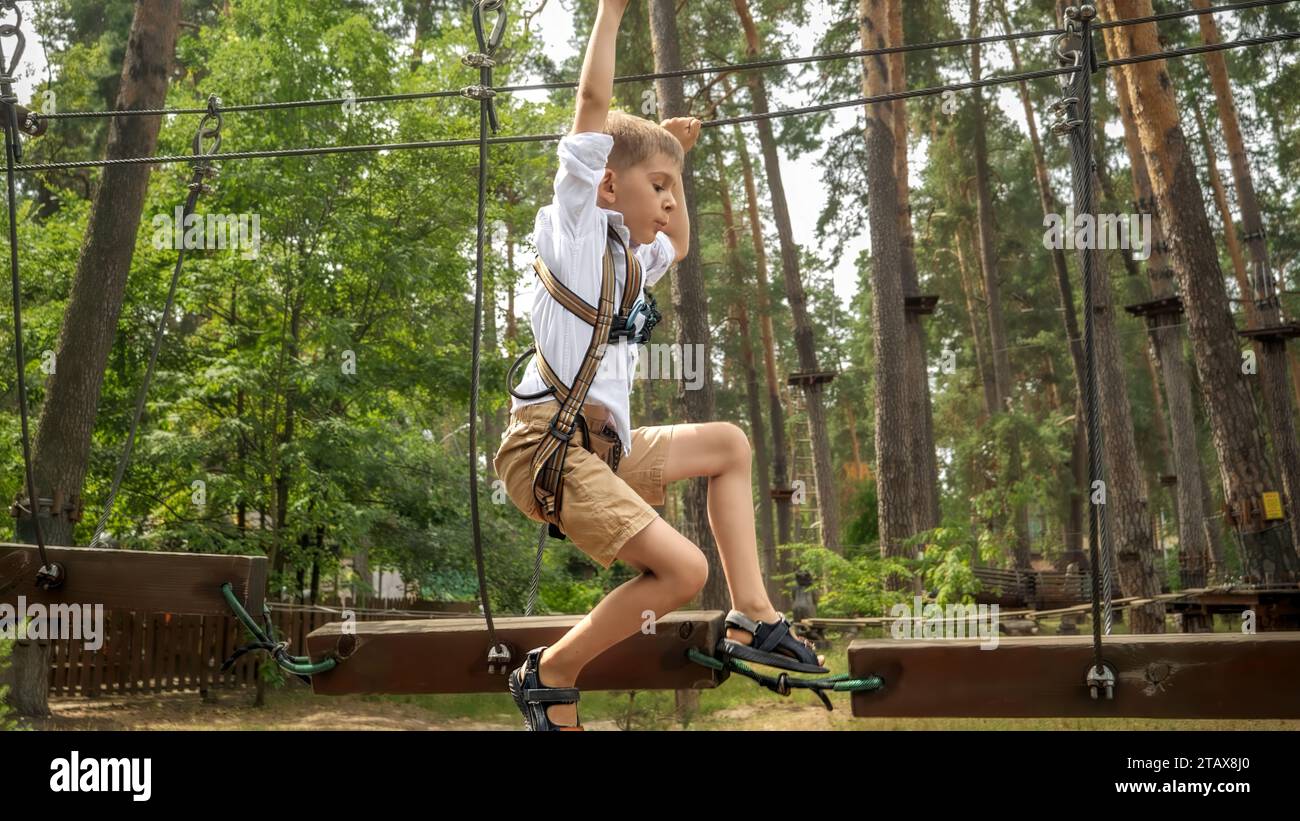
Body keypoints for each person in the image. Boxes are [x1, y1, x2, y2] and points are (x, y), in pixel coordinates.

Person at [494, 0, 826, 732]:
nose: (672, 206)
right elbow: (591, 106)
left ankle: (754, 614)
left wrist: (672, 163)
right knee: (682, 570)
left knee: (730, 444)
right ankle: (552, 672)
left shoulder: (631, 261)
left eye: (674, 195)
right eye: (657, 191)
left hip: (598, 451)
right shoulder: (579, 233)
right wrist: (612, 11)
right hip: (546, 447)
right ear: (607, 187)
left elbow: (675, 244)